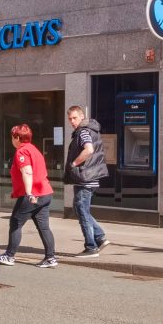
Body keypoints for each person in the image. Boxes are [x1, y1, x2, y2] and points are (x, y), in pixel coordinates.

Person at [0, 124, 57, 268]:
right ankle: (51, 258)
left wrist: (28, 193)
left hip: (33, 194)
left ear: (17, 138)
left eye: (13, 137)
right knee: (44, 227)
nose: (12, 140)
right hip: (45, 193)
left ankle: (9, 256)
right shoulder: (34, 150)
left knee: (15, 223)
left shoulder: (22, 151)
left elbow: (27, 171)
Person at [63, 105, 110, 257]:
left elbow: (88, 149)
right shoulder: (89, 130)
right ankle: (100, 236)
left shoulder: (83, 131)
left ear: (82, 117)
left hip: (85, 178)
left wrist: (74, 163)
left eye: (74, 118)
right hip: (89, 177)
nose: (72, 121)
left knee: (82, 211)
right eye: (70, 119)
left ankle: (91, 247)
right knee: (80, 210)